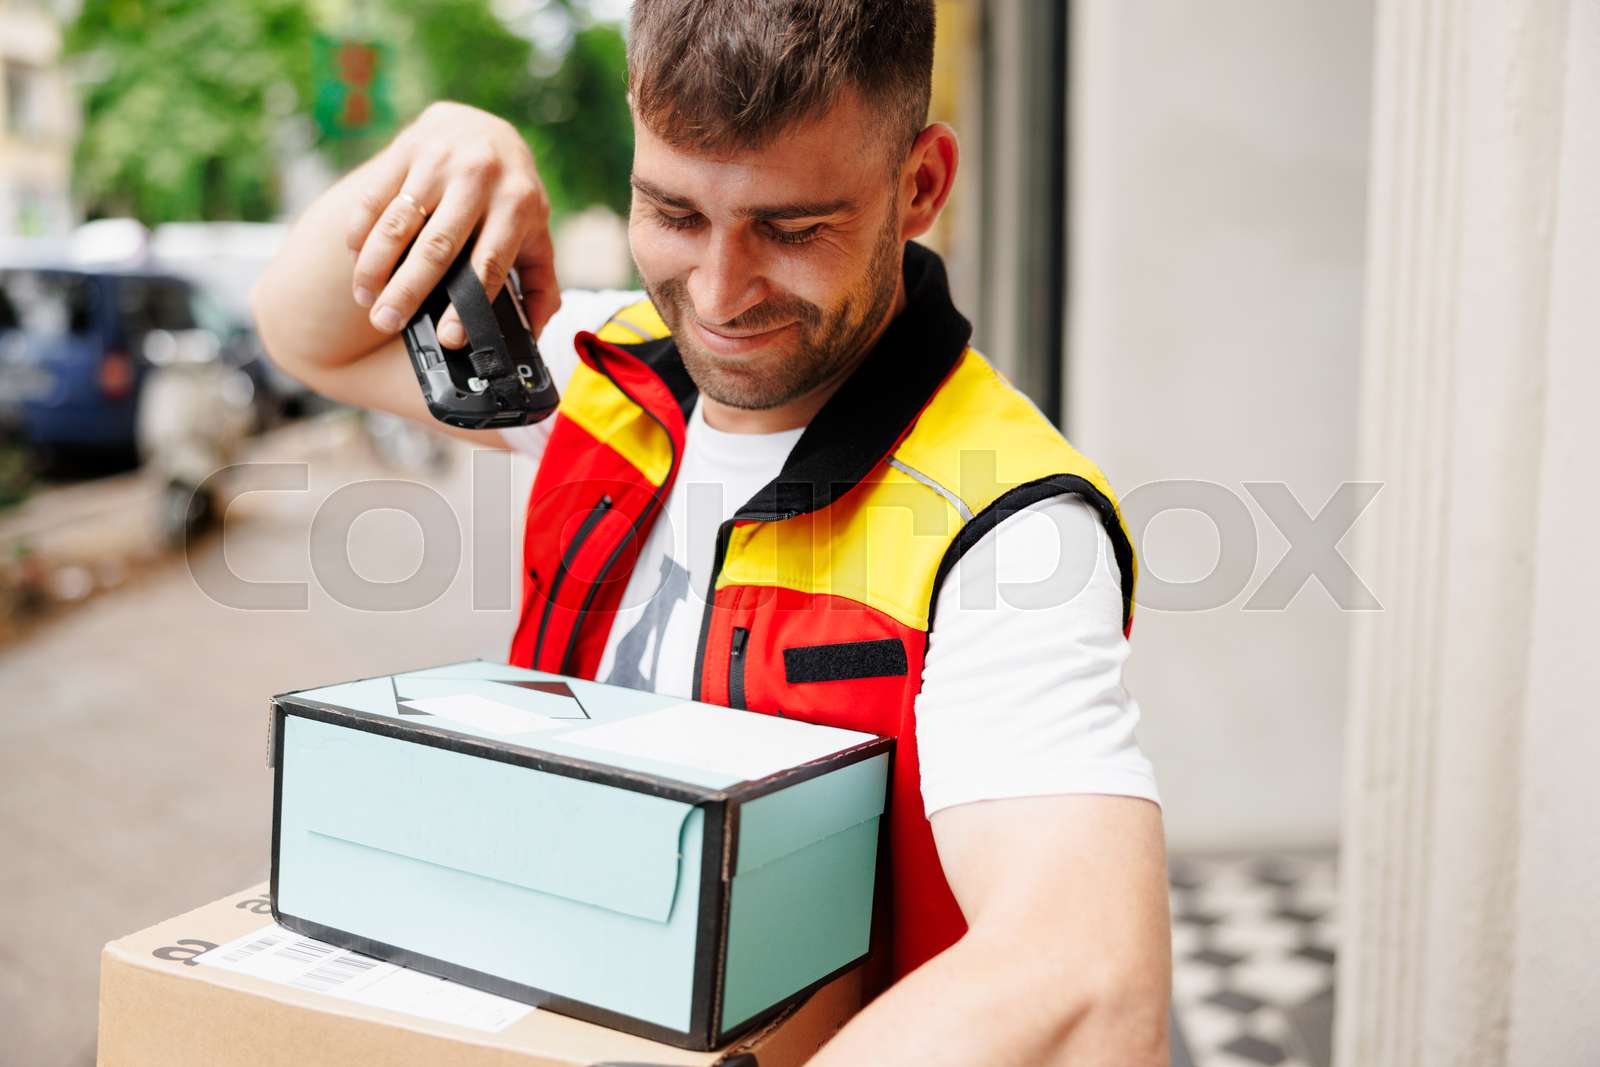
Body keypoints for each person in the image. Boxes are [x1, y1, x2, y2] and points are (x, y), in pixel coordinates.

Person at [252, 1, 1170, 1061]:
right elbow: (304, 330)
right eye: (675, 215)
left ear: (919, 185)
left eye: (791, 228)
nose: (720, 296)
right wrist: (440, 146)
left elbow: (1092, 981)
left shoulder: (1009, 521)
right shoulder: (602, 366)